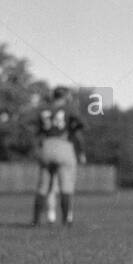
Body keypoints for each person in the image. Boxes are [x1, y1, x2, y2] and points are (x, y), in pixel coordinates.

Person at [33, 86, 86, 226]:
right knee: (66, 186)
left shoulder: (43, 110)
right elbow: (81, 124)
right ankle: (66, 220)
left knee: (43, 187)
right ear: (65, 96)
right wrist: (71, 130)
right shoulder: (69, 109)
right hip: (63, 145)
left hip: (46, 145)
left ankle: (36, 220)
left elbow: (38, 130)